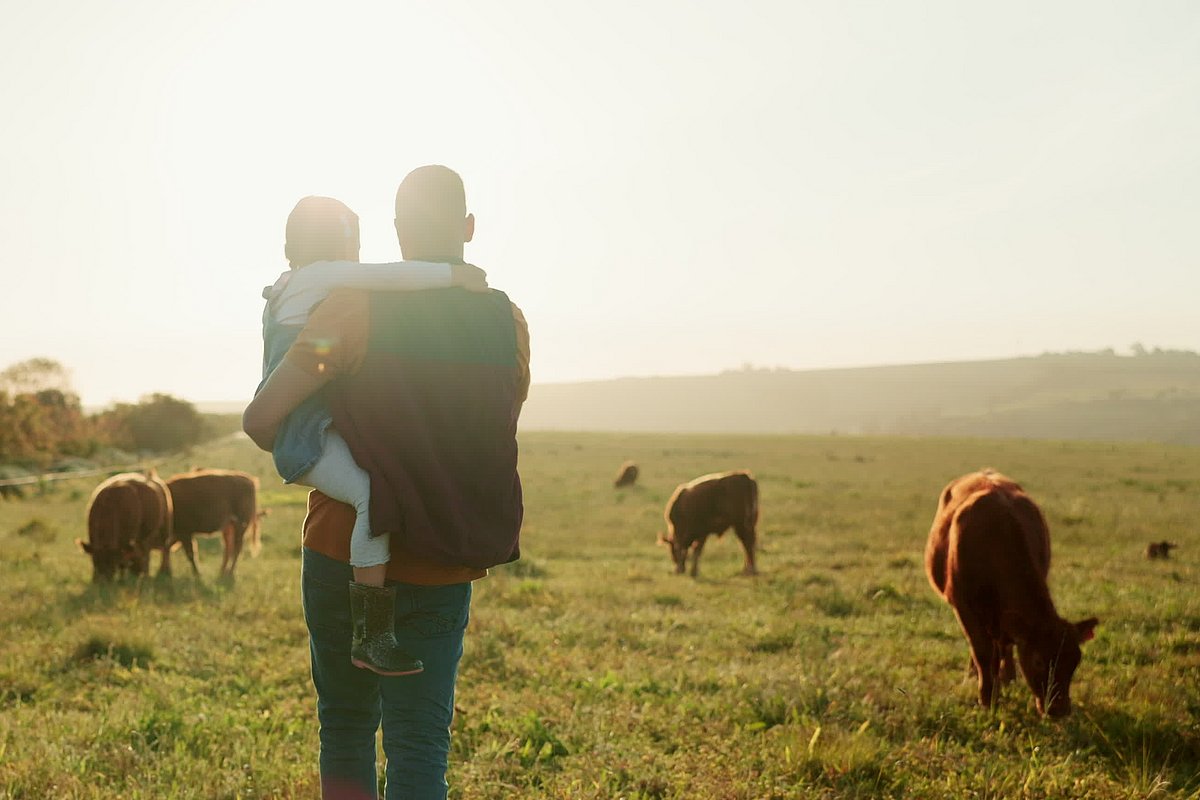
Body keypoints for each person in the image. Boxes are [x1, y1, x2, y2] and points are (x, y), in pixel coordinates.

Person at [243, 166, 529, 799]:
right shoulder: (506, 321)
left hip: (341, 550)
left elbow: (264, 418)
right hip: (444, 553)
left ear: (397, 234)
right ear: (470, 228)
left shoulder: (350, 307)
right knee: (420, 744)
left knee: (345, 728)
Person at [258, 195, 488, 676]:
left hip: (310, 426)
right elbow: (392, 278)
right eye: (354, 242)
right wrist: (454, 277)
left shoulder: (288, 285)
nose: (360, 256)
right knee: (372, 495)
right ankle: (373, 634)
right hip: (307, 432)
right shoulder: (324, 278)